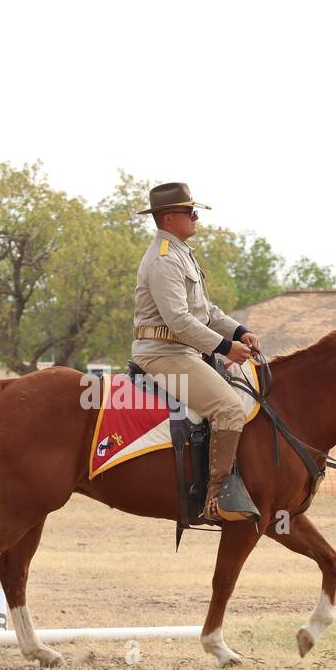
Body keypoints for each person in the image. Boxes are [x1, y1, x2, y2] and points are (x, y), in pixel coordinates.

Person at [131, 182, 262, 521]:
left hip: (184, 353)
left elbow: (206, 311)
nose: (196, 218)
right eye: (190, 212)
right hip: (163, 354)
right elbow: (178, 320)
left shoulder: (180, 253)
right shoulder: (163, 260)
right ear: (169, 217)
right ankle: (216, 500)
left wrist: (239, 332)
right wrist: (224, 348)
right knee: (229, 408)